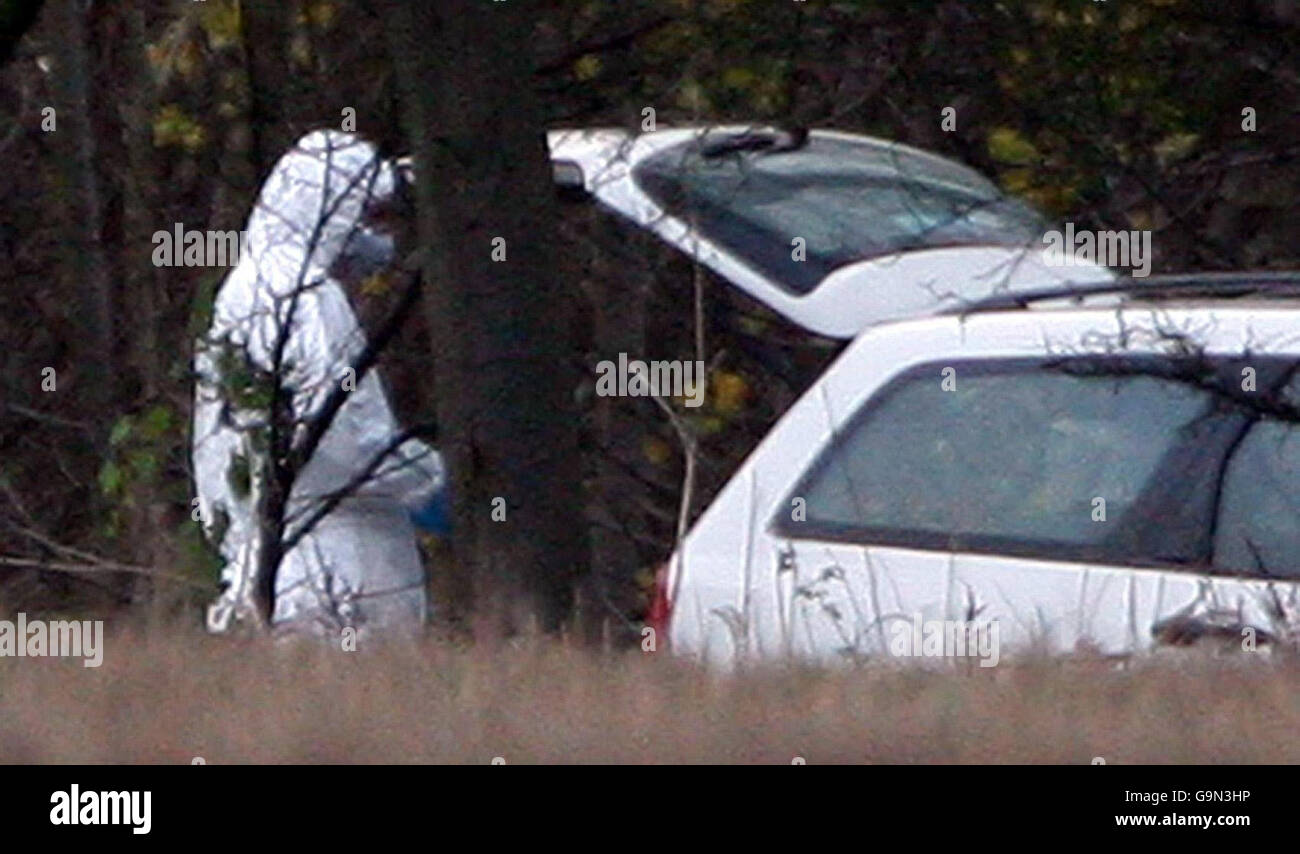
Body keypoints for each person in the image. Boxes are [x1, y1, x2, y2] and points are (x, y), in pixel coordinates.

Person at [192, 130, 445, 639]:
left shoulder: (247, 289)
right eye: (370, 217)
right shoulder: (306, 298)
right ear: (334, 209)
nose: (380, 238)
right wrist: (438, 484)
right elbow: (349, 443)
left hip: (273, 569)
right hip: (334, 576)